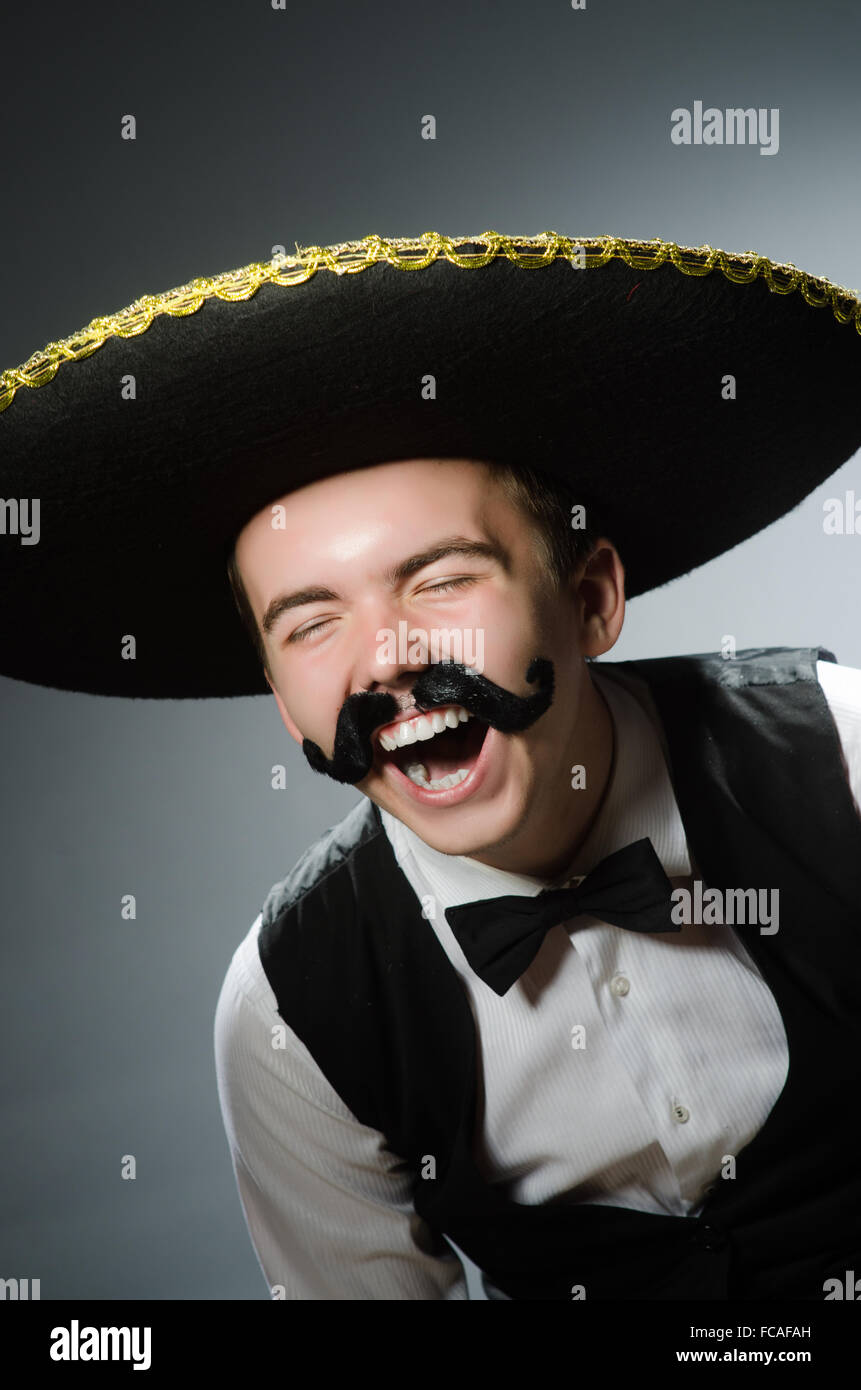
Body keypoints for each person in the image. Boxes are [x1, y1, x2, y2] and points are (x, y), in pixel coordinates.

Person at [2, 230, 860, 1300]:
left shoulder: (844, 753)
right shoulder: (287, 1010)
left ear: (591, 598)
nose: (388, 663)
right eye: (312, 624)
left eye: (442, 581)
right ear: (283, 702)